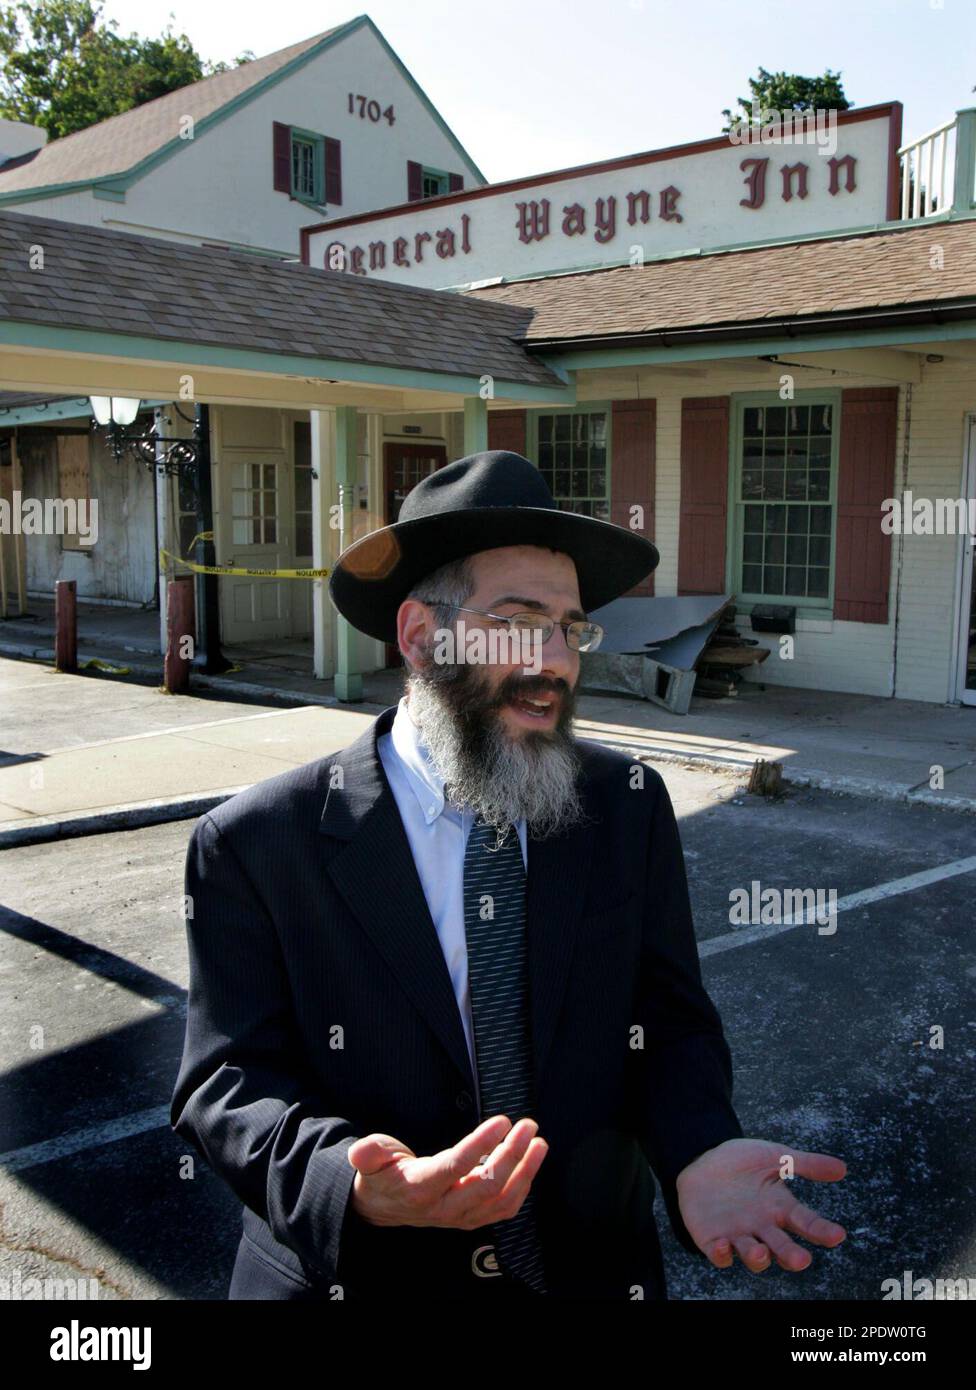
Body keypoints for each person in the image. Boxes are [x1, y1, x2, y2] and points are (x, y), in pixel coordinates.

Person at [170, 449, 847, 1301]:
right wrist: (348, 1181)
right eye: (523, 620)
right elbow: (225, 1086)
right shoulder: (258, 841)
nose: (558, 662)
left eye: (571, 628)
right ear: (420, 636)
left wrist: (698, 1145)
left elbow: (667, 1021)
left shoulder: (627, 806)